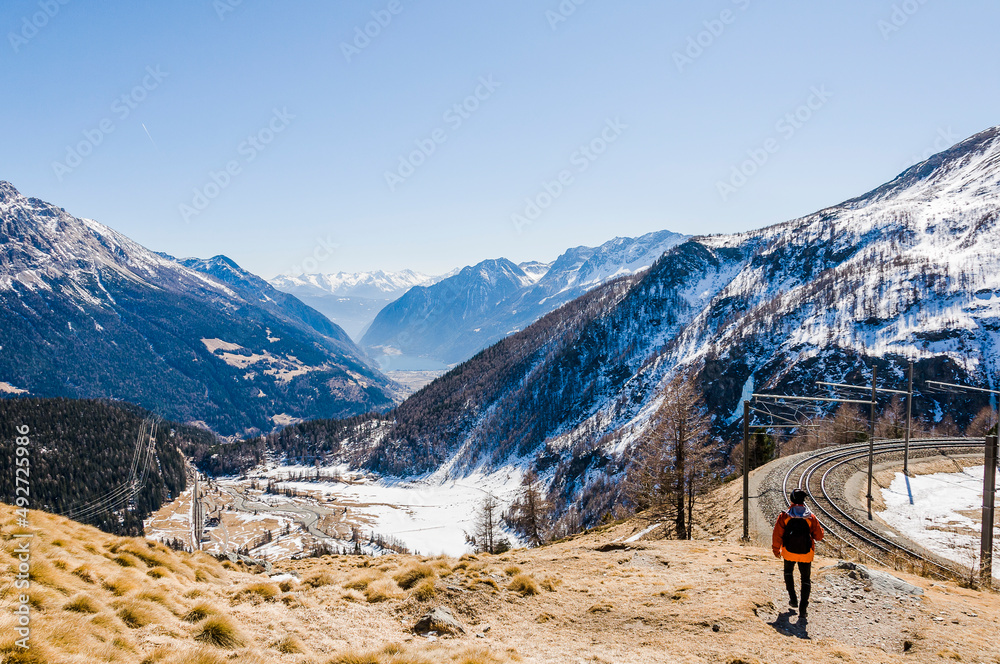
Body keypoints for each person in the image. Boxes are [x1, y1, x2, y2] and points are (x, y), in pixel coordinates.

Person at [771, 488, 824, 622]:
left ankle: (793, 599)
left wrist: (776, 550)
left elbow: (777, 535)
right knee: (805, 580)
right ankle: (803, 610)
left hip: (788, 552)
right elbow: (819, 536)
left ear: (792, 500)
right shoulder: (811, 517)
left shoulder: (784, 516)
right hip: (806, 553)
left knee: (788, 572)